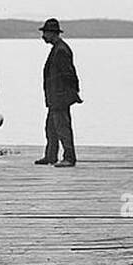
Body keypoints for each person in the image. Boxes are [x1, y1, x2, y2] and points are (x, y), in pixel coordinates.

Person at [37, 18, 81, 167]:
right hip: (55, 97)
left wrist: (71, 94)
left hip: (60, 97)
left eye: (45, 33)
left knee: (62, 128)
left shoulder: (61, 50)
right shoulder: (57, 48)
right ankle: (50, 156)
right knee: (50, 127)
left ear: (52, 33)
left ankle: (69, 157)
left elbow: (70, 74)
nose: (43, 36)